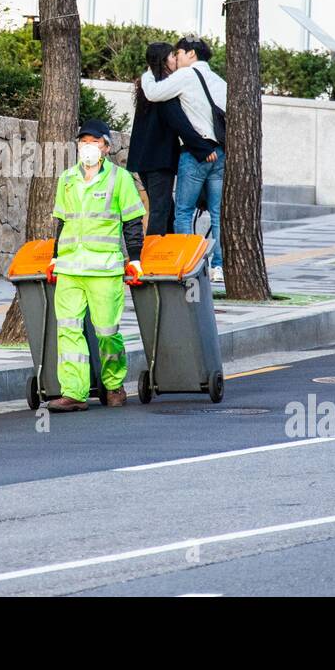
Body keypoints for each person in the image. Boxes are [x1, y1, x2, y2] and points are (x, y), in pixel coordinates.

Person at [46, 119, 146, 413]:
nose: (88, 147)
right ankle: (74, 393)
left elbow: (131, 222)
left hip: (104, 268)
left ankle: (114, 384)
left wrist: (136, 258)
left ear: (106, 146)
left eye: (94, 142)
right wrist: (55, 257)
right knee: (68, 329)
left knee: (106, 331)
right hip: (70, 269)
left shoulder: (119, 179)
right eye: (83, 142)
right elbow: (63, 223)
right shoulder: (67, 178)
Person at [138, 37, 228, 281]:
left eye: (178, 54)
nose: (176, 59)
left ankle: (189, 263)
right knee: (218, 213)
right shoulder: (221, 82)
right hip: (221, 153)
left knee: (184, 212)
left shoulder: (186, 75)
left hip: (198, 152)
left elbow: (154, 92)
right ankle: (218, 266)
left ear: (191, 54)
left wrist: (148, 71)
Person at [126, 42, 216, 235]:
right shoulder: (165, 91)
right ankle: (154, 257)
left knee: (166, 208)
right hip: (159, 159)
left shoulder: (149, 87)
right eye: (172, 56)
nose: (175, 58)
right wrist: (203, 148)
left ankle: (167, 251)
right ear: (163, 60)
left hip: (143, 159)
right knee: (160, 209)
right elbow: (180, 123)